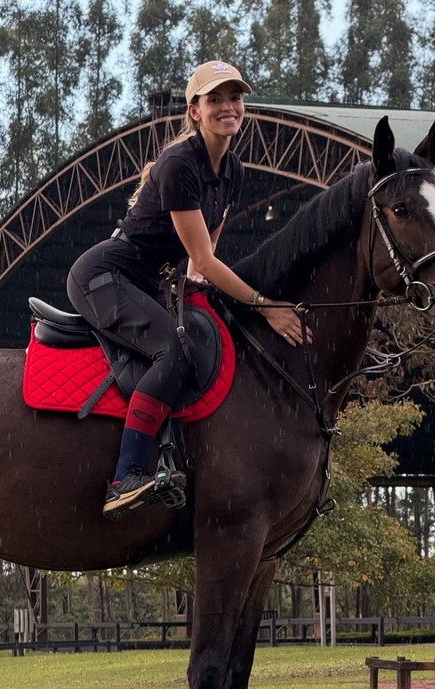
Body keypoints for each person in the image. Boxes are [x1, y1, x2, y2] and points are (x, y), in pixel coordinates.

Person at [67, 60, 311, 520]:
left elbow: (201, 258)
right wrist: (266, 307)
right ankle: (126, 477)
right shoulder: (180, 164)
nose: (228, 107)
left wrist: (203, 289)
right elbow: (203, 260)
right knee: (172, 352)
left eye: (234, 98)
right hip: (105, 276)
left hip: (152, 283)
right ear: (194, 111)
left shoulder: (233, 170)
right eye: (215, 99)